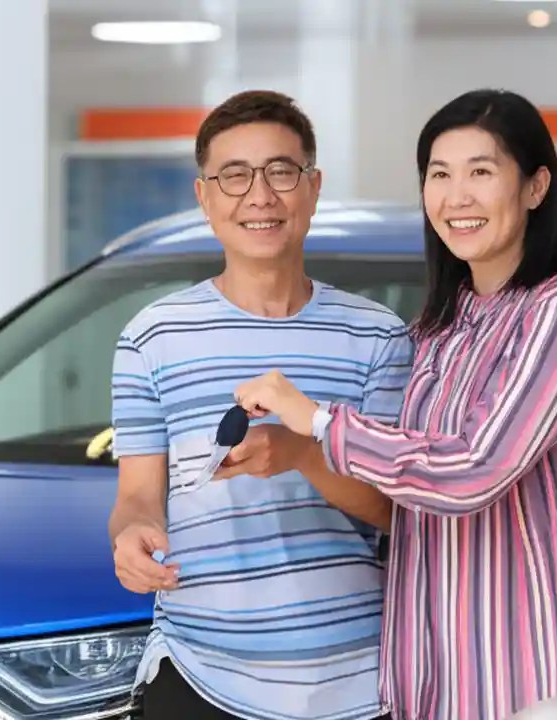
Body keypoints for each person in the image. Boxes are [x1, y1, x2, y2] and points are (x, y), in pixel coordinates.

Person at [232, 88, 557, 720]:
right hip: (427, 679)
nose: (457, 196)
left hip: (530, 681)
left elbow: (471, 469)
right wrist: (298, 449)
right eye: (439, 175)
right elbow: (397, 483)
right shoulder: (434, 331)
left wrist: (316, 416)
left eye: (481, 171)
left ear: (535, 187)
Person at [107, 90, 413, 720]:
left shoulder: (378, 336)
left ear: (313, 186)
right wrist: (132, 535)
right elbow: (137, 494)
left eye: (281, 172)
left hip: (357, 682)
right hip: (198, 674)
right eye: (235, 176)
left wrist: (304, 454)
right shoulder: (152, 336)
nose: (260, 196)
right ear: (205, 196)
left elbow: (399, 512)